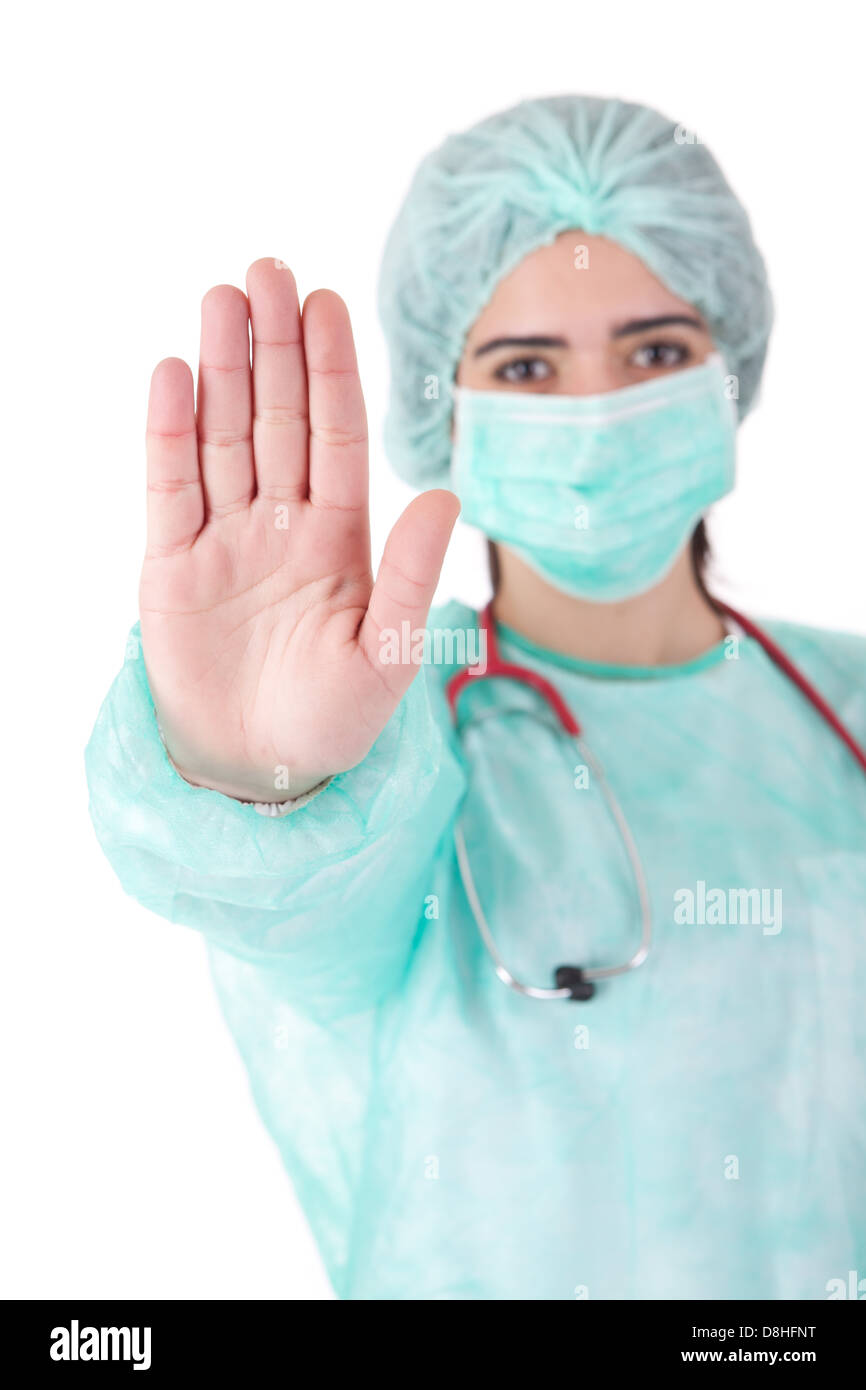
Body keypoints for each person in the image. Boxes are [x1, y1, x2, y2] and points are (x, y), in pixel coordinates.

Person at [85, 95, 866, 1301]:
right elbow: (297, 906)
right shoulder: (393, 735)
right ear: (445, 409)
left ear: (730, 370)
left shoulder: (846, 704)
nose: (593, 407)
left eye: (655, 351)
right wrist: (259, 774)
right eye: (524, 366)